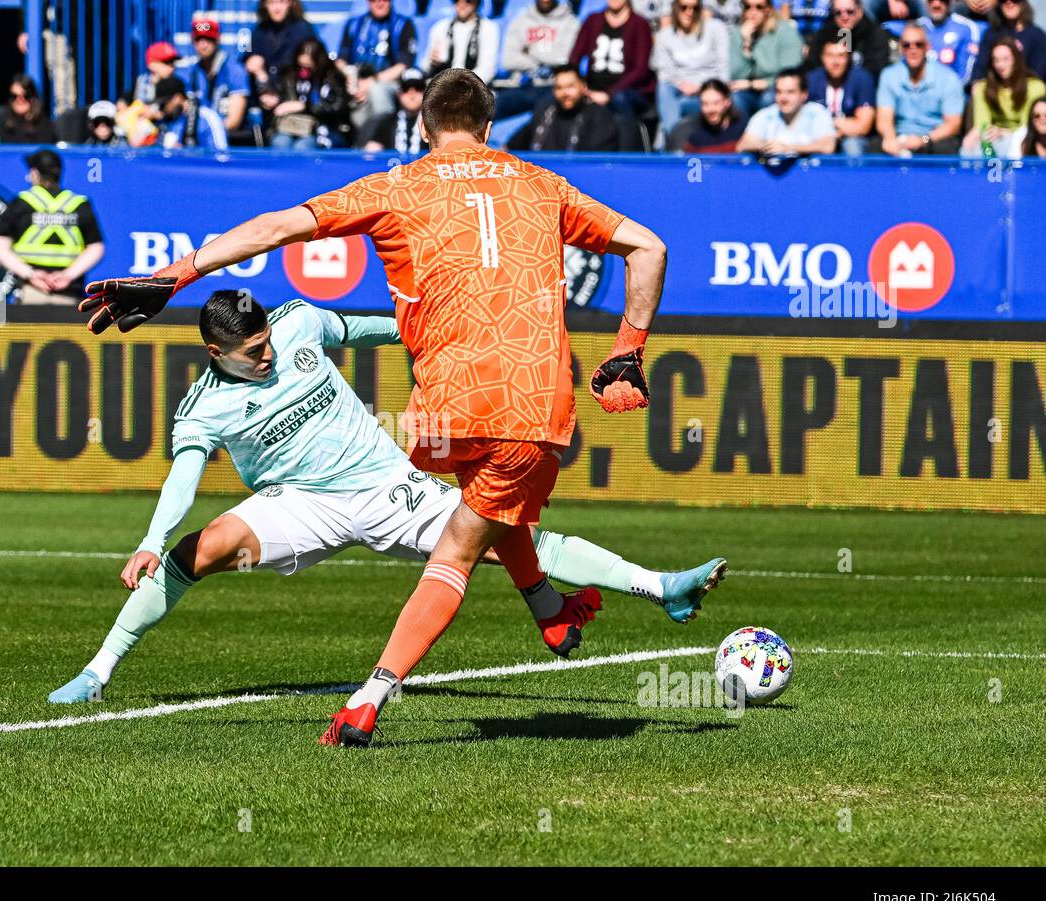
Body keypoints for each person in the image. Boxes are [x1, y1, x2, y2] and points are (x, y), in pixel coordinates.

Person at [77, 69, 676, 747]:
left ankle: (547, 612)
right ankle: (552, 609)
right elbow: (649, 246)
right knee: (479, 530)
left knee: (480, 524)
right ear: (488, 125)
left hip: (441, 418)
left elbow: (277, 227)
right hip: (532, 404)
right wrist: (628, 349)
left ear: (422, 126)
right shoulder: (542, 183)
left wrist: (173, 274)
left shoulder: (394, 187)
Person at [48, 292, 726, 705]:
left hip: (385, 486)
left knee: (511, 533)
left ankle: (661, 586)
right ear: (213, 349)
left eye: (265, 343)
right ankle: (97, 673)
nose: (266, 356)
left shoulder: (297, 327)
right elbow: (182, 479)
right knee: (199, 551)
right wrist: (150, 541)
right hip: (298, 505)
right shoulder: (203, 410)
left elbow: (361, 330)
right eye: (251, 352)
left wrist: (431, 335)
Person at [0, 150, 105, 305]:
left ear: (35, 173)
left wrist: (31, 275)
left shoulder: (21, 203)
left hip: (31, 291)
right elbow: (95, 248)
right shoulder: (78, 204)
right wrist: (68, 275)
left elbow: (0, 248)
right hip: (69, 293)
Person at [877, 23, 965, 154]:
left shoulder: (948, 78)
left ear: (927, 47)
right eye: (907, 45)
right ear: (901, 48)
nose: (913, 50)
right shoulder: (889, 75)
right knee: (873, 147)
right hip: (900, 137)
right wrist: (890, 139)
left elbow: (953, 125)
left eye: (919, 44)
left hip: (932, 139)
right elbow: (884, 118)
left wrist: (923, 140)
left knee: (947, 148)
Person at [335, 0, 420, 132]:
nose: (379, 3)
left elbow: (404, 65)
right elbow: (341, 60)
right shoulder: (354, 24)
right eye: (374, 0)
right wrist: (351, 78)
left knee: (377, 90)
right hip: (356, 80)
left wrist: (371, 83)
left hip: (389, 82)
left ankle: (382, 139)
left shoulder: (402, 24)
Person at [652, 0, 731, 136]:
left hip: (710, 88)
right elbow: (664, 72)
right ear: (675, 8)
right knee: (664, 89)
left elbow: (724, 66)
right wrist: (681, 84)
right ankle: (675, 140)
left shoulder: (715, 28)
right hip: (680, 88)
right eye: (684, 7)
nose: (689, 12)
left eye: (694, 8)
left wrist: (703, 87)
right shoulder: (665, 36)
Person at [569, 0, 657, 122]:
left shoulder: (640, 24)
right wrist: (579, 84)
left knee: (619, 99)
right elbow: (575, 57)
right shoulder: (593, 20)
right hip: (593, 88)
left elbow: (640, 70)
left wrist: (608, 94)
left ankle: (626, 138)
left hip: (629, 91)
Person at [495, 0, 581, 120]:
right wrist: (545, 63)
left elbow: (565, 60)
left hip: (552, 87)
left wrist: (530, 51)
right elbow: (508, 60)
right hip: (521, 86)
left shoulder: (571, 22)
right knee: (489, 110)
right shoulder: (520, 20)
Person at [507, 64, 626, 149]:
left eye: (570, 87)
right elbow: (512, 146)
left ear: (583, 86)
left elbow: (598, 160)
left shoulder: (600, 116)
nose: (564, 93)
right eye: (559, 88)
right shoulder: (545, 113)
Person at [963, 37, 1046, 153]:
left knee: (1009, 145)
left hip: (1023, 139)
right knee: (971, 148)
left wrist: (1004, 132)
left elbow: (1029, 127)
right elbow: (982, 124)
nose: (1000, 65)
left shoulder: (1035, 87)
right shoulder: (983, 88)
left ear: (1016, 60)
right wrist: (970, 140)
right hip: (992, 138)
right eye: (996, 60)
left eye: (1006, 59)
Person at [267, 38, 353, 150]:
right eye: (302, 54)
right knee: (280, 142)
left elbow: (338, 108)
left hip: (321, 129)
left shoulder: (332, 78)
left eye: (308, 65)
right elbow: (279, 99)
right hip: (290, 126)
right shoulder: (289, 77)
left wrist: (305, 106)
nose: (304, 60)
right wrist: (271, 101)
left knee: (302, 147)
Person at [180, 17, 251, 141]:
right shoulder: (191, 72)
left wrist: (209, 133)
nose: (203, 45)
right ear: (193, 42)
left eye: (209, 39)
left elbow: (234, 120)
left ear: (217, 40)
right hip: (198, 135)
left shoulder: (234, 70)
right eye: (198, 40)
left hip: (228, 138)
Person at [729, 0, 803, 117]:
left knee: (767, 99)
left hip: (776, 89)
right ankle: (743, 134)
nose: (753, 12)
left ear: (768, 9)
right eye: (748, 7)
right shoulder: (740, 32)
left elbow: (790, 73)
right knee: (735, 98)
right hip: (749, 91)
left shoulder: (785, 31)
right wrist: (746, 44)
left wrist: (754, 84)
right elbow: (736, 75)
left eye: (759, 7)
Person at [737, 68, 838, 153]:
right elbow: (743, 145)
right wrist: (769, 147)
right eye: (779, 92)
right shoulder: (766, 115)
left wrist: (787, 148)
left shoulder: (817, 113)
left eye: (790, 92)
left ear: (804, 94)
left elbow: (827, 146)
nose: (783, 98)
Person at [806, 40, 877, 155]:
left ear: (849, 58)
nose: (835, 62)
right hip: (819, 135)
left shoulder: (862, 79)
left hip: (852, 137)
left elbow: (863, 127)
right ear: (822, 57)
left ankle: (854, 173)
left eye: (841, 56)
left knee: (852, 146)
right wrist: (839, 124)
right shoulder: (811, 80)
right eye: (830, 55)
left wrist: (828, 124)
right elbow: (805, 123)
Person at [246, 0, 318, 104]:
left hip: (294, 95)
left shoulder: (304, 29)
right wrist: (253, 64)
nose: (276, 8)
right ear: (264, 5)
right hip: (262, 94)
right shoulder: (258, 30)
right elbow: (246, 56)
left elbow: (313, 63)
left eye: (281, 2)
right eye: (271, 3)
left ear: (291, 3)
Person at [805, 0, 893, 80]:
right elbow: (813, 64)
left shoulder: (874, 34)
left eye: (850, 12)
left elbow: (875, 69)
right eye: (838, 13)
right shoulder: (825, 33)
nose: (844, 17)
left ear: (860, 11)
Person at [423, 0, 501, 85]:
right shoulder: (440, 27)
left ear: (477, 2)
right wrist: (432, 62)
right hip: (442, 86)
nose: (462, 4)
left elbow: (487, 70)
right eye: (457, 0)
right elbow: (425, 66)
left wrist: (461, 85)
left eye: (468, 1)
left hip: (473, 88)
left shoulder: (489, 28)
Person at [666, 77, 747, 150]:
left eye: (716, 103)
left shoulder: (743, 128)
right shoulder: (689, 131)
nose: (710, 110)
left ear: (727, 102)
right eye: (705, 104)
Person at [973, 0, 1046, 80]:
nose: (1009, 2)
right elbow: (979, 71)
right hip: (995, 88)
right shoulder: (991, 34)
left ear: (1023, 3)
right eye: (1003, 0)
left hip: (1025, 88)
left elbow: (1039, 74)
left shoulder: (1037, 36)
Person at [361, 68, 429, 154]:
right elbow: (371, 150)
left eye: (418, 88)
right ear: (399, 93)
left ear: (426, 92)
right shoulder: (387, 123)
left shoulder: (435, 124)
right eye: (406, 88)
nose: (411, 94)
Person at [918, 0, 983, 85]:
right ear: (926, 2)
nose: (937, 4)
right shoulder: (916, 27)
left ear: (950, 2)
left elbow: (965, 74)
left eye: (942, 0)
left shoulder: (966, 28)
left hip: (953, 91)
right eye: (931, 0)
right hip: (919, 91)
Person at [0, 74, 57, 144]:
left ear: (33, 98)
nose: (19, 100)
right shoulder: (2, 123)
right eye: (14, 96)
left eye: (25, 96)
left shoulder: (46, 126)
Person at [126, 41, 181, 108]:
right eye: (166, 63)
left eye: (172, 63)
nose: (171, 68)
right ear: (151, 64)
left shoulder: (177, 84)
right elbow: (125, 101)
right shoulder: (142, 81)